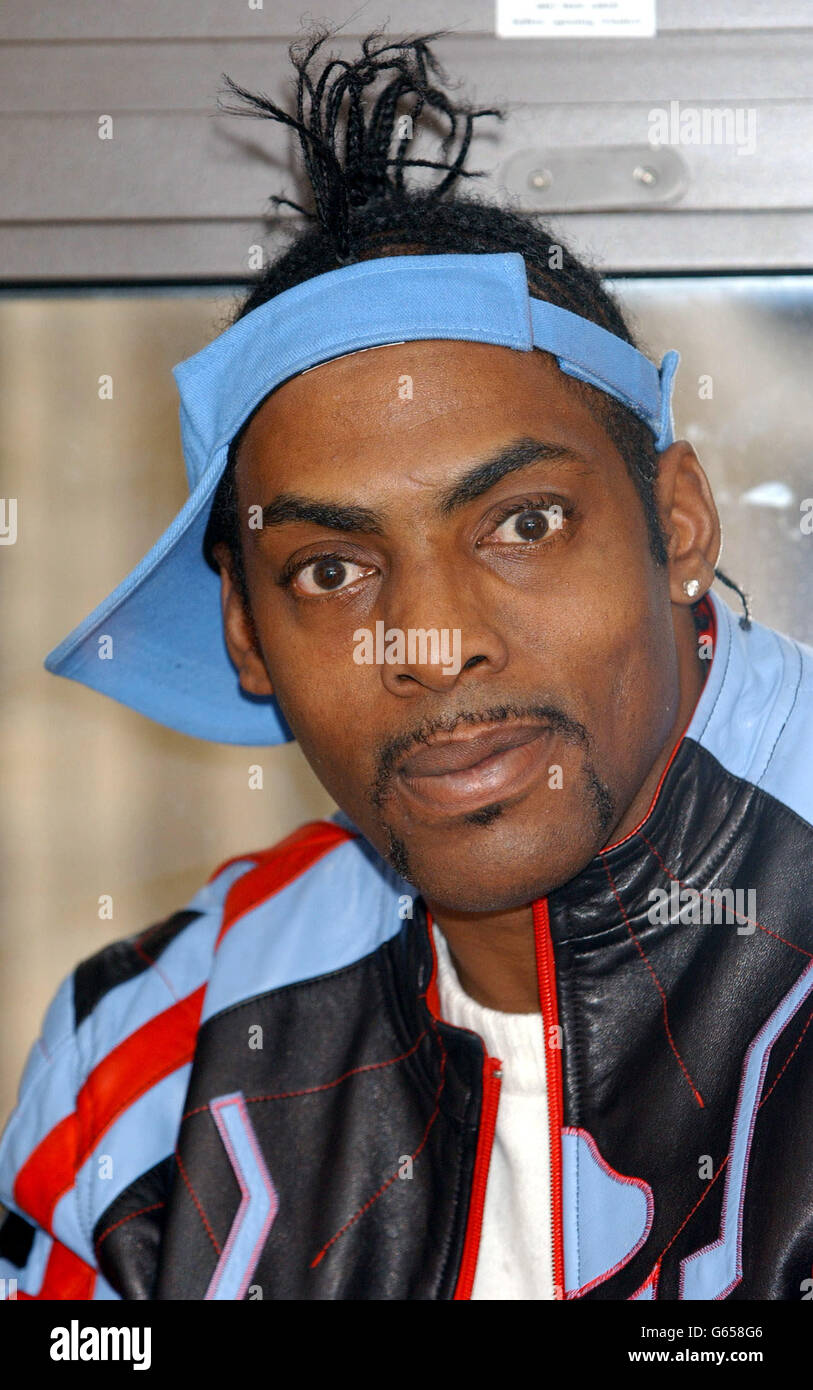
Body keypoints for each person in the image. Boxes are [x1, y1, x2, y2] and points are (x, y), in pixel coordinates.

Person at [1, 27, 811, 1302]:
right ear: (246, 636)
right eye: (333, 568)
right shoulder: (146, 1081)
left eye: (524, 524)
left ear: (681, 527)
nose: (436, 645)